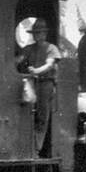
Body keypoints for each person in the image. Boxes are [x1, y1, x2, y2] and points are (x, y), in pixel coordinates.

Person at [24, 18, 62, 149]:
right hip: (32, 83)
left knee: (42, 116)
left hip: (46, 83)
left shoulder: (51, 48)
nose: (36, 35)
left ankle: (37, 147)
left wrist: (36, 71)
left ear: (44, 34)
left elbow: (49, 64)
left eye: (39, 32)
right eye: (35, 32)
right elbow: (18, 59)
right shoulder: (29, 49)